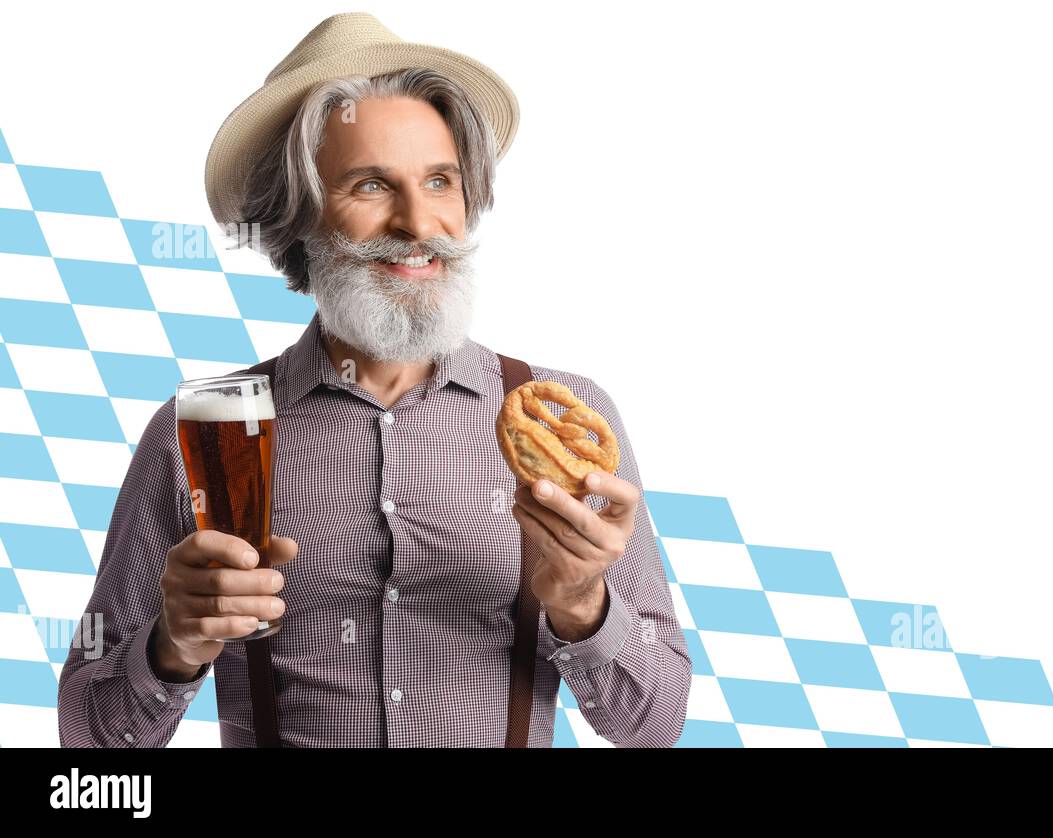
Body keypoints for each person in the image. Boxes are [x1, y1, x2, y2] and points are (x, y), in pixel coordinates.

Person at [56, 12, 691, 748]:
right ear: (298, 215)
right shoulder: (206, 431)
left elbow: (655, 726)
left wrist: (584, 604)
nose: (419, 223)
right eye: (370, 186)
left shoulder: (565, 418)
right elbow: (89, 741)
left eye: (440, 181)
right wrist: (171, 646)